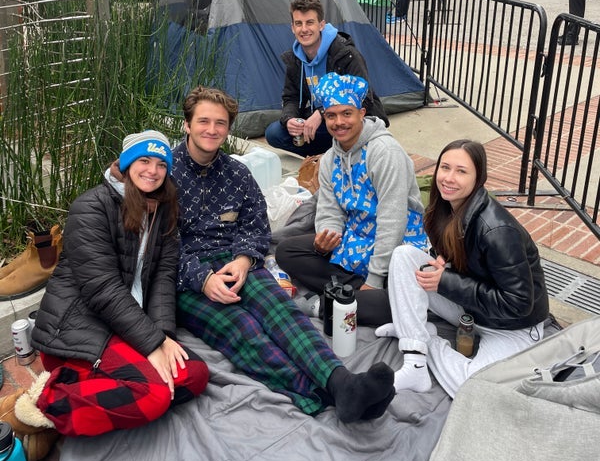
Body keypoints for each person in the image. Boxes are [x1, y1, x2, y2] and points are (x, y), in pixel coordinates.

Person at [172, 86, 395, 423]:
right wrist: (202, 280)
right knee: (243, 330)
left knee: (283, 313)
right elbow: (159, 244)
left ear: (228, 128)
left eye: (220, 123)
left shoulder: (237, 173)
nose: (212, 130)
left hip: (236, 260)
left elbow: (257, 227)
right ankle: (326, 395)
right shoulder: (165, 174)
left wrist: (245, 260)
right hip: (188, 276)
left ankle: (343, 381)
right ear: (187, 125)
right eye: (203, 121)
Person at [0, 131, 209, 461]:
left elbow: (163, 278)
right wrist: (152, 344)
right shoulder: (90, 207)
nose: (152, 171)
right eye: (143, 161)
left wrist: (164, 337)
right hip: (81, 326)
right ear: (125, 163)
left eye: (160, 164)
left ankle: (80, 392)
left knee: (194, 374)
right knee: (154, 395)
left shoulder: (164, 210)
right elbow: (101, 289)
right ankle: (39, 406)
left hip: (130, 326)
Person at [375, 139, 549, 399]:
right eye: (444, 168)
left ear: (479, 177)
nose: (449, 178)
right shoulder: (444, 208)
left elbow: (519, 304)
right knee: (403, 256)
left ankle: (421, 338)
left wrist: (445, 282)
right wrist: (441, 267)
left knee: (470, 390)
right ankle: (415, 363)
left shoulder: (498, 231)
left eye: (461, 171)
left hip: (512, 327)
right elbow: (451, 261)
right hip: (470, 310)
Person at [276, 72, 427, 327]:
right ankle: (349, 298)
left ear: (362, 113)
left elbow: (393, 220)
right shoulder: (330, 159)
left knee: (394, 303)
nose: (339, 122)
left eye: (347, 113)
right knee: (286, 250)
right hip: (354, 244)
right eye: (331, 115)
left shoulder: (384, 152)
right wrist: (327, 237)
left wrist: (375, 279)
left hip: (395, 250)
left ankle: (332, 302)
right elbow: (329, 208)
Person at [264, 0, 388, 157]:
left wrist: (322, 113)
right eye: (298, 24)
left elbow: (364, 98)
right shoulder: (294, 59)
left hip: (349, 119)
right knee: (274, 133)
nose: (304, 29)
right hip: (322, 123)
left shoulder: (346, 54)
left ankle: (341, 151)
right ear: (292, 28)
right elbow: (291, 97)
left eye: (310, 22)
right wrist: (290, 119)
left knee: (344, 128)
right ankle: (332, 154)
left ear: (321, 25)